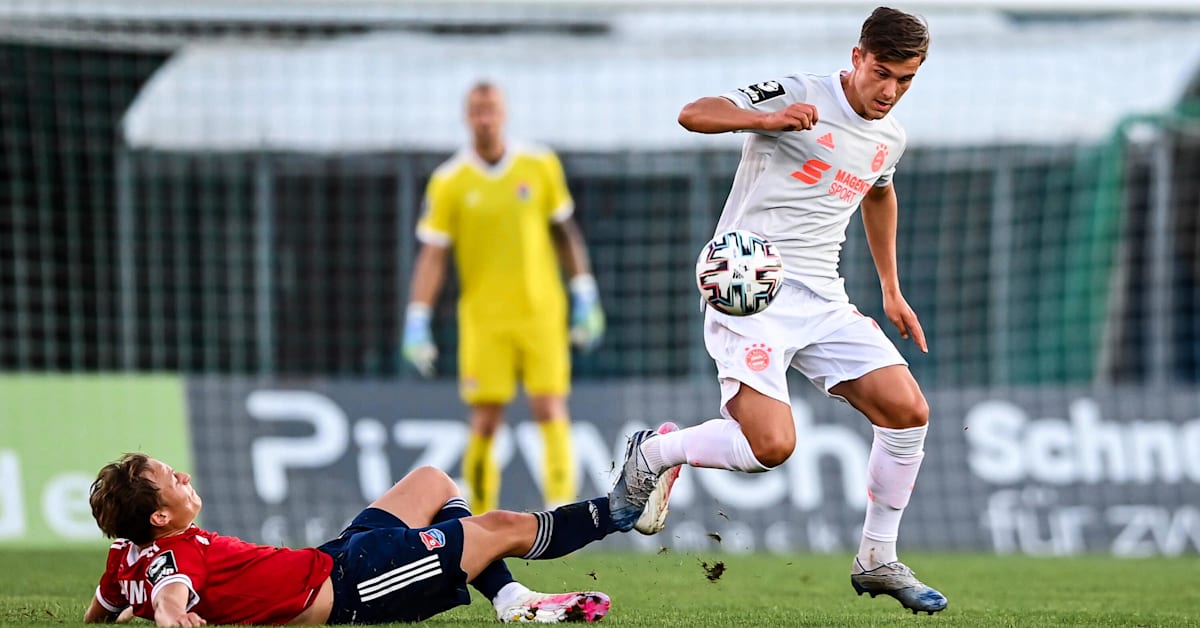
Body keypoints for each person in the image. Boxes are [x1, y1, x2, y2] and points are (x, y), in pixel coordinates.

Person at [611, 6, 947, 615]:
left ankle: (876, 557)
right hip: (750, 287)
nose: (890, 91)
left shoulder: (889, 135)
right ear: (857, 56)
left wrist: (892, 289)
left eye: (906, 80)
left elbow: (880, 192)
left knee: (908, 411)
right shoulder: (799, 93)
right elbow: (693, 113)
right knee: (771, 447)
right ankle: (653, 454)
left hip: (823, 297)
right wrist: (765, 119)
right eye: (882, 72)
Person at [82, 450, 662, 626]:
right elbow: (170, 591)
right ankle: (619, 511)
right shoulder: (175, 557)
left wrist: (133, 610)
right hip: (358, 585)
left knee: (433, 482)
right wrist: (168, 617)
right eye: (170, 480)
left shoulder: (123, 556)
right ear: (159, 517)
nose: (182, 476)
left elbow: (103, 609)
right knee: (500, 528)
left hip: (333, 556)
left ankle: (511, 602)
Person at [402, 81, 605, 513]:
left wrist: (585, 292)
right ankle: (475, 510)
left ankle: (560, 506)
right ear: (466, 117)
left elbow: (563, 232)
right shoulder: (450, 180)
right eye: (477, 111)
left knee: (549, 405)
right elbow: (433, 255)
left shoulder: (539, 164)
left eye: (491, 109)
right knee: (485, 417)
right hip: (483, 318)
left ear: (504, 113)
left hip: (540, 311)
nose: (484, 118)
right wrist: (417, 319)